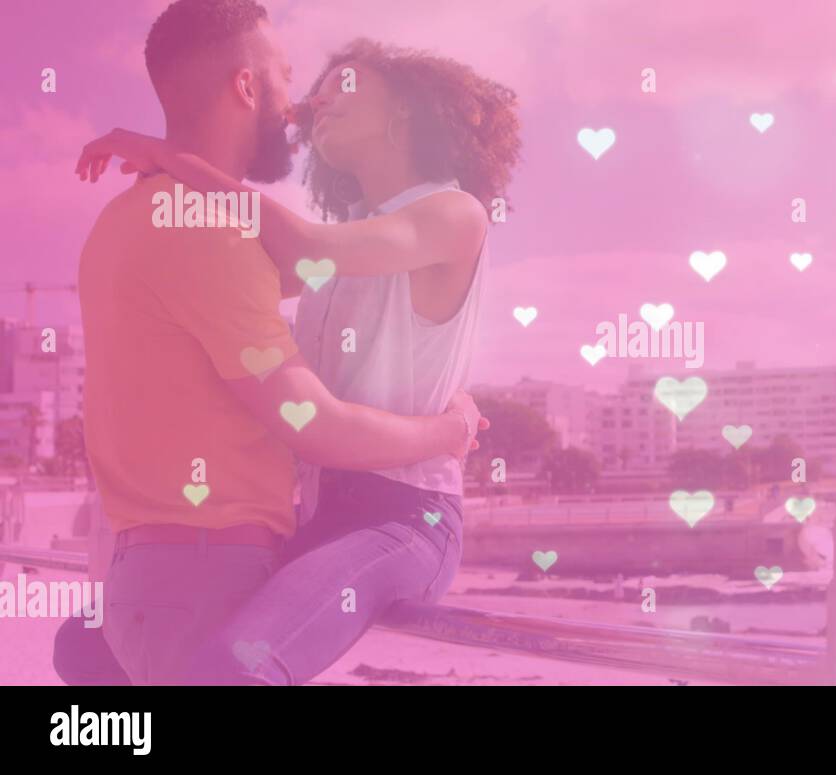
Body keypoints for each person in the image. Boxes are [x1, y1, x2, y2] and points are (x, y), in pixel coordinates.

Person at [67, 0, 520, 685]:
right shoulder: (355, 241)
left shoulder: (454, 210)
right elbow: (226, 270)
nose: (312, 102)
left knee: (232, 669)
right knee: (86, 644)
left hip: (403, 514)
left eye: (342, 86)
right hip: (322, 512)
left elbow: (297, 244)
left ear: (401, 111)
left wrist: (169, 157)